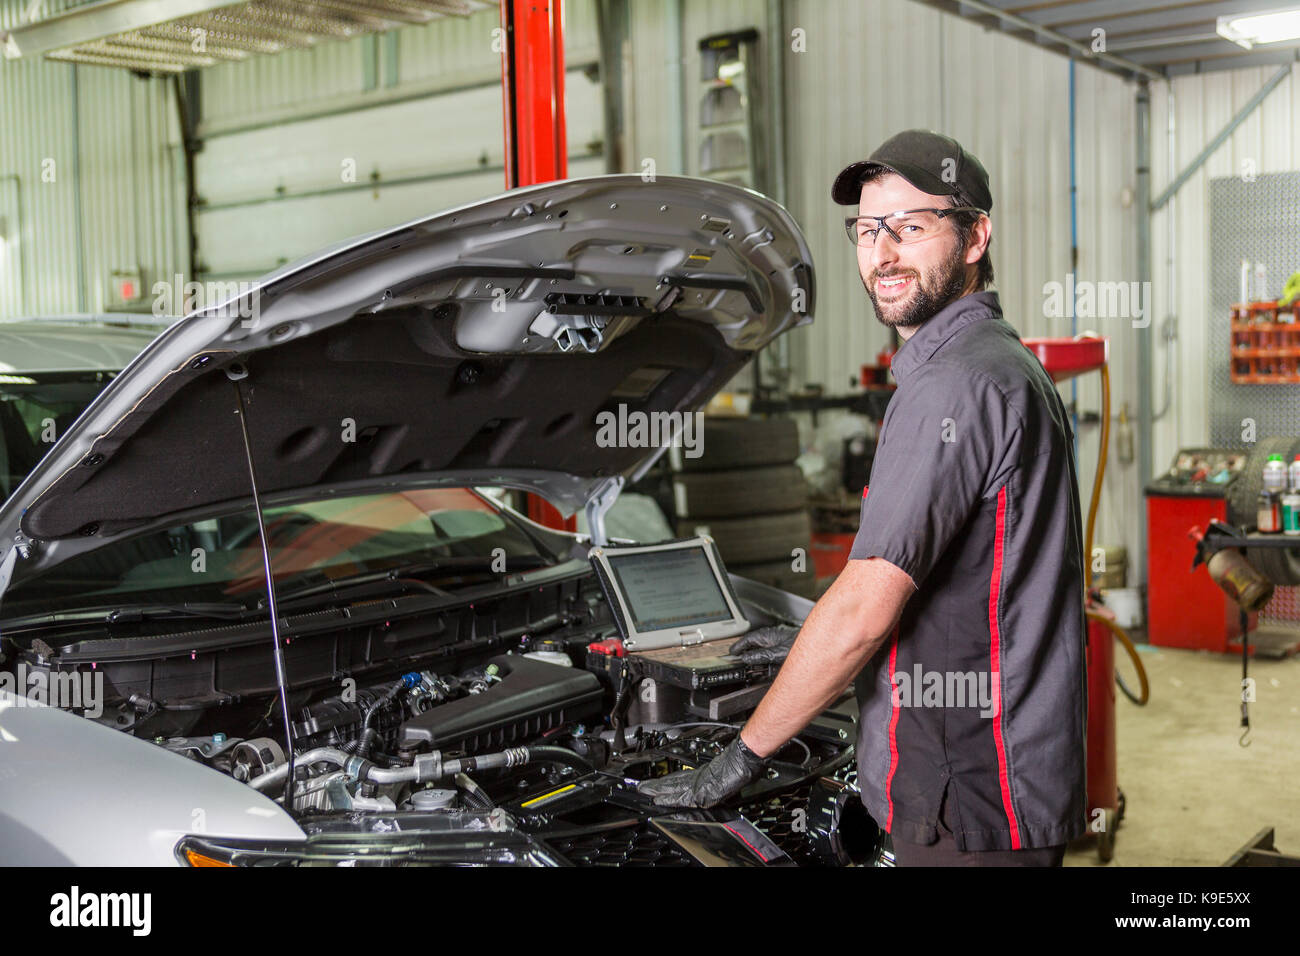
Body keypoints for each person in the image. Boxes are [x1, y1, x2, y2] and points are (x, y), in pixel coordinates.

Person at [639, 130, 1087, 867]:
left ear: (976, 235)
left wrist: (738, 759)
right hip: (1001, 775)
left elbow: (865, 609)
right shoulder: (1002, 364)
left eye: (911, 228)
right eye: (868, 230)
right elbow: (967, 578)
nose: (882, 255)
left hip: (964, 791)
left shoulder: (956, 383)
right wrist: (799, 640)